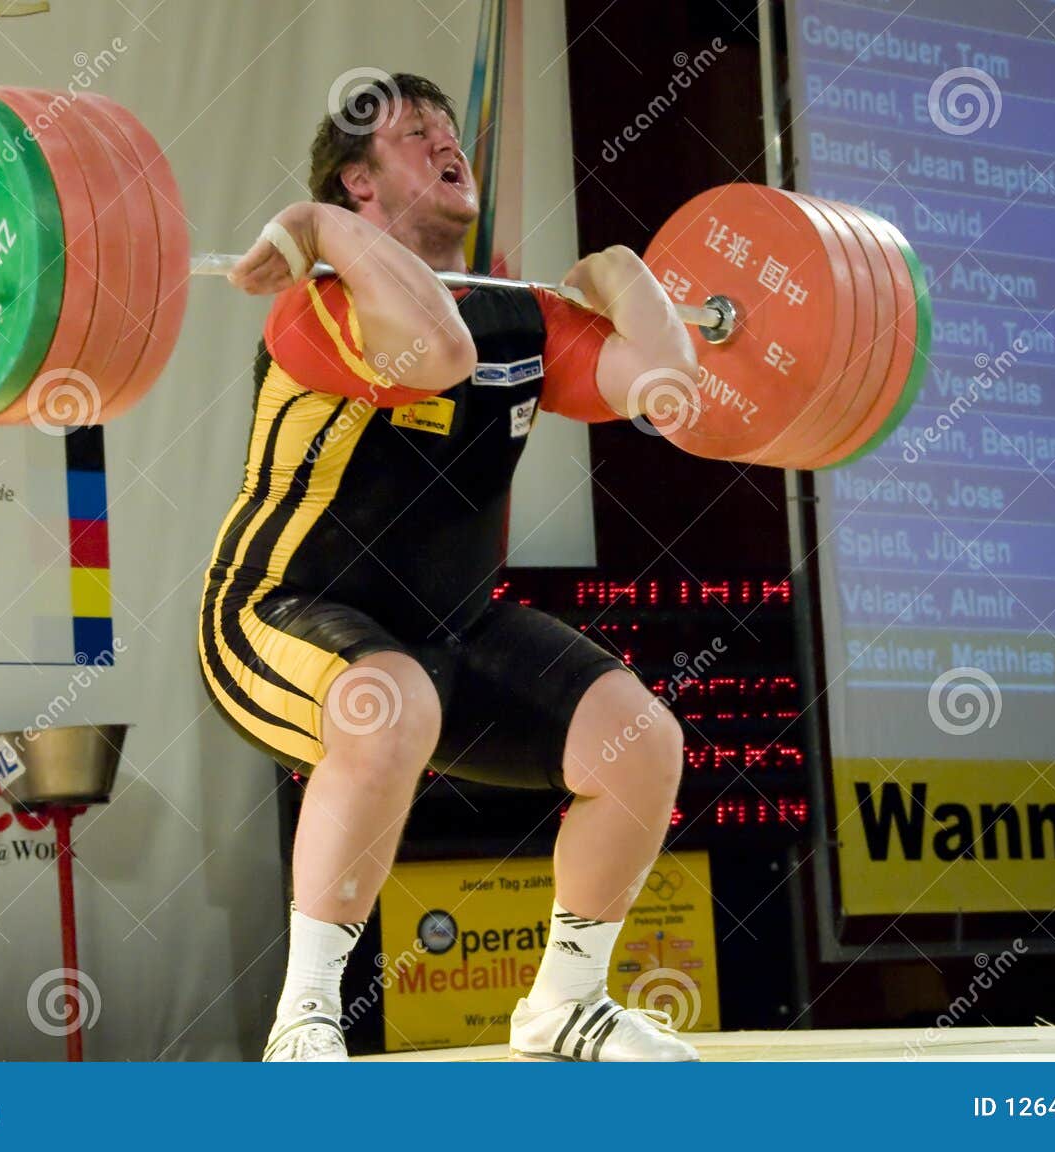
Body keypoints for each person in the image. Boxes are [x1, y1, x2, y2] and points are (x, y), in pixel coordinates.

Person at [199, 72, 700, 1062]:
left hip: (446, 637)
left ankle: (564, 1005)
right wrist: (317, 228)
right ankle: (304, 1015)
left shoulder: (522, 320)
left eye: (445, 127)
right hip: (272, 617)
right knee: (392, 704)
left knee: (640, 741)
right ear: (361, 186)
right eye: (413, 132)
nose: (445, 139)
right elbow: (431, 354)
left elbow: (675, 397)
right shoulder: (317, 307)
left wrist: (623, 275)